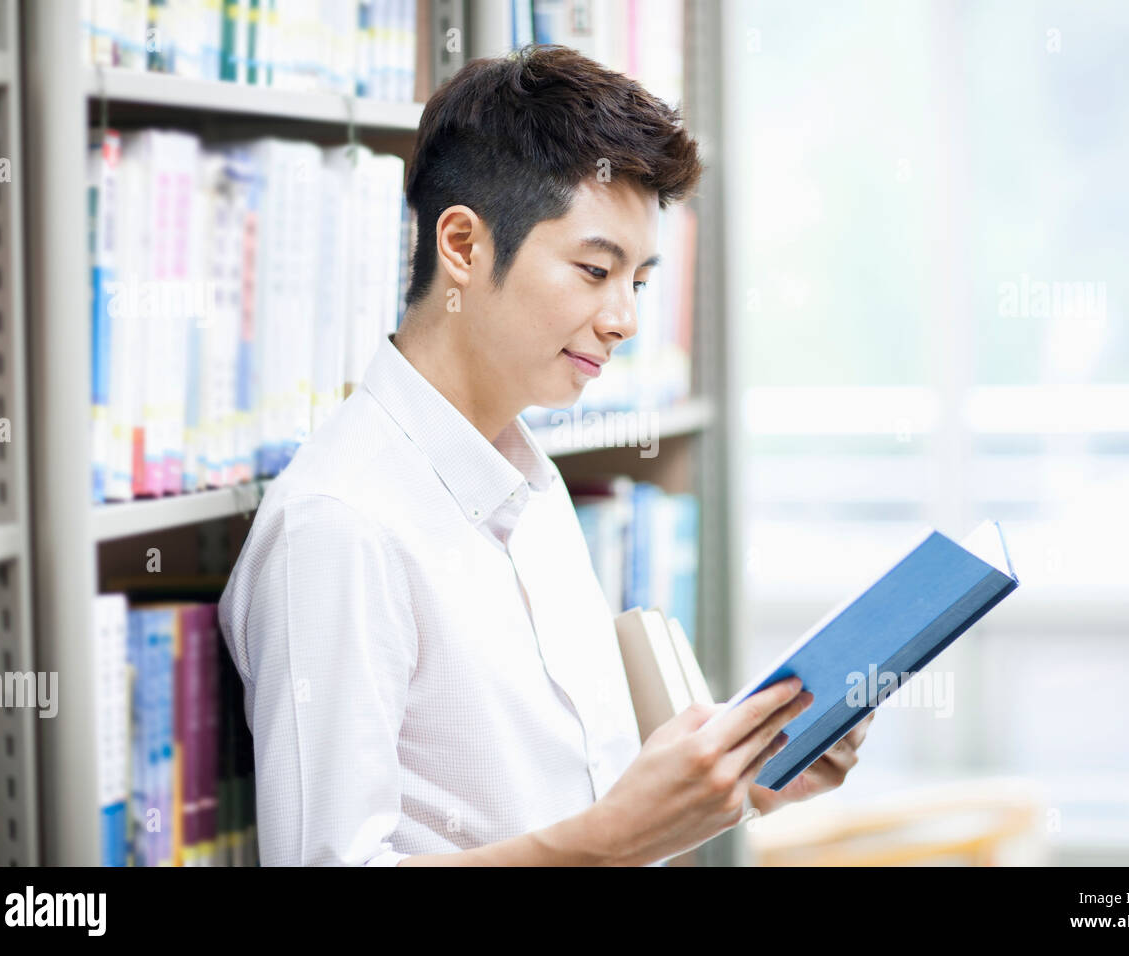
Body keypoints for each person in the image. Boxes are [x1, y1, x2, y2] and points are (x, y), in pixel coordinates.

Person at [217, 43, 871, 867]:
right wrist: (607, 842)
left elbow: (569, 807)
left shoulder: (530, 480)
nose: (623, 320)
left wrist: (746, 781)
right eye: (595, 270)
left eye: (637, 281)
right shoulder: (338, 527)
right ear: (462, 246)